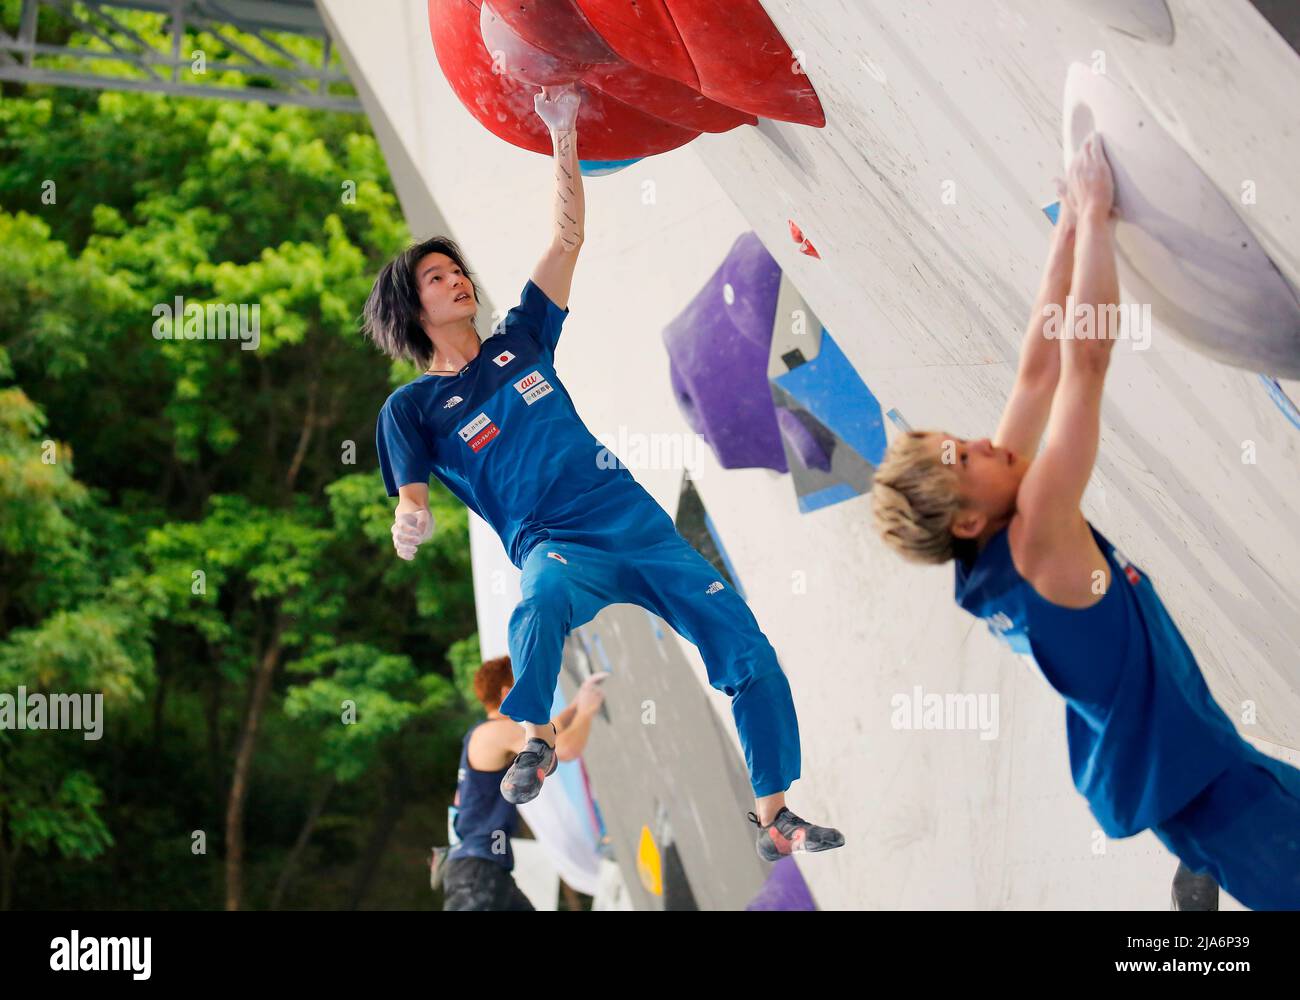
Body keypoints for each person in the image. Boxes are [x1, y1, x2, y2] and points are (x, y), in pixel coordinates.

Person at [364, 83, 842, 862]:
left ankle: (775, 813)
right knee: (541, 599)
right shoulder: (414, 408)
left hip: (633, 521)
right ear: (411, 310)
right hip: (553, 542)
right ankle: (536, 737)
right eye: (438, 278)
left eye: (459, 271)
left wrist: (563, 133)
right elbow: (410, 495)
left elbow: (565, 243)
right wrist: (408, 517)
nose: (460, 281)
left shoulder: (522, 339)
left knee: (745, 646)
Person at [869, 133, 1300, 910]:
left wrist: (1067, 222)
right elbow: (1085, 364)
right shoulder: (1034, 529)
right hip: (1212, 794)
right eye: (965, 457)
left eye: (955, 440)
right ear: (968, 519)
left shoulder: (991, 522)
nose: (984, 443)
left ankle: (1197, 865)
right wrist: (1099, 217)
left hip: (1185, 760)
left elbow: (1038, 367)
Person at [440, 656, 605, 910]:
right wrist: (587, 711)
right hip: (477, 872)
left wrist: (576, 706)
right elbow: (566, 749)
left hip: (480, 870)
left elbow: (547, 738)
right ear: (507, 694)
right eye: (521, 688)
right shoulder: (495, 731)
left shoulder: (487, 734)